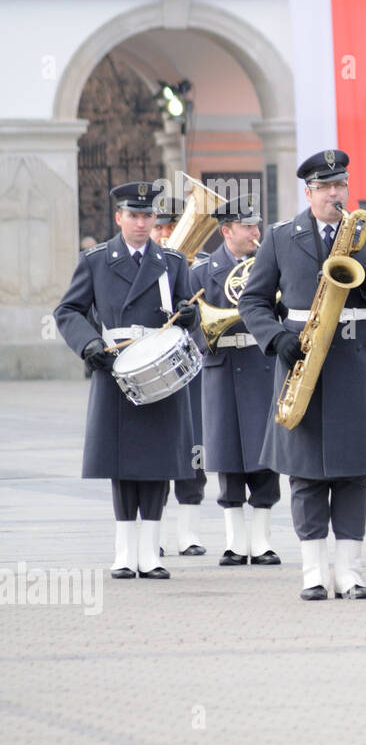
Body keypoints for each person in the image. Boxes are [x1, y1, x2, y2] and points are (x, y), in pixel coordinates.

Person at [239, 149, 366, 600]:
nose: (334, 195)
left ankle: (351, 571)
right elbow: (253, 301)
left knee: (355, 474)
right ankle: (314, 572)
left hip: (357, 364)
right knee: (305, 473)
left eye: (340, 186)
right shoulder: (281, 237)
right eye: (325, 188)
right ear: (309, 192)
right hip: (302, 359)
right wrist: (275, 338)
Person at [55, 181, 200, 579]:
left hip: (159, 370)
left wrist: (191, 318)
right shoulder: (96, 260)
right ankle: (124, 551)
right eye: (133, 216)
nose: (140, 223)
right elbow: (68, 310)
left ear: (155, 220)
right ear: (118, 218)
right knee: (122, 462)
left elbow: (191, 311)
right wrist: (88, 346)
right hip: (116, 367)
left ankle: (150, 553)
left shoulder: (172, 261)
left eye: (147, 216)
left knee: (157, 462)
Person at [190, 194, 281, 566]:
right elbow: (193, 323)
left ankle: (260, 540)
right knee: (227, 456)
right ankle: (234, 541)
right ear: (227, 231)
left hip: (261, 364)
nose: (255, 232)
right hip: (222, 366)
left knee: (265, 456)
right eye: (247, 226)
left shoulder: (269, 265)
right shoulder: (201, 271)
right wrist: (201, 333)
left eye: (257, 225)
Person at [151, 201, 207, 557]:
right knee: (153, 450)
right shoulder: (142, 267)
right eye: (161, 227)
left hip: (190, 364)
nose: (168, 233)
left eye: (174, 226)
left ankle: (188, 531)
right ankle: (150, 532)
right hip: (152, 364)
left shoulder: (199, 267)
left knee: (193, 449)